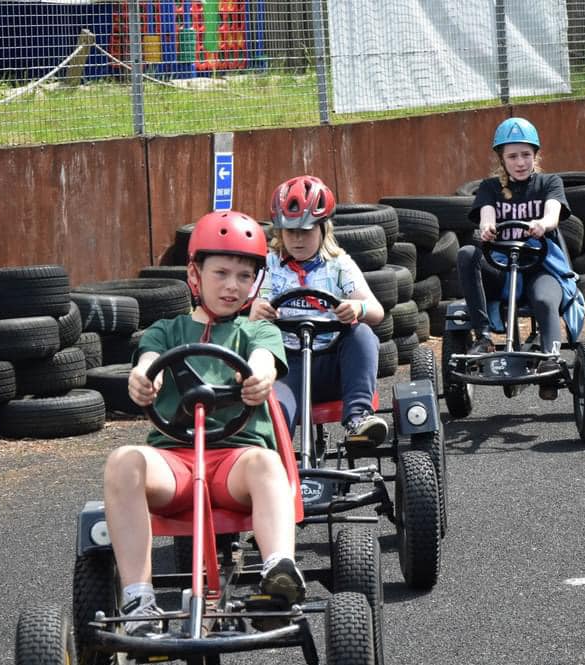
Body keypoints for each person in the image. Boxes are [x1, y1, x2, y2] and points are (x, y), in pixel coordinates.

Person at [102, 210, 304, 635]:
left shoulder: (256, 334)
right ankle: (139, 600)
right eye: (221, 273)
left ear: (255, 283)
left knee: (268, 463)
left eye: (244, 276)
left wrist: (258, 375)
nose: (232, 286)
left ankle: (277, 574)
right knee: (123, 459)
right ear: (195, 273)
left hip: (235, 463)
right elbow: (148, 361)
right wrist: (142, 378)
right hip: (174, 463)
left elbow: (265, 362)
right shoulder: (167, 329)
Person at [250, 174, 389, 444]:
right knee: (274, 419)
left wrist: (356, 308)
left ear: (323, 229)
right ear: (280, 231)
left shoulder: (338, 265)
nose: (298, 239)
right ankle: (274, 457)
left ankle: (358, 418)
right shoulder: (269, 265)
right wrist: (256, 311)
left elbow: (376, 310)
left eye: (306, 231)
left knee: (361, 334)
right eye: (291, 231)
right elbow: (251, 309)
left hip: (332, 364)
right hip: (286, 365)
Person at [456, 116, 577, 400]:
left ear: (535, 155)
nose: (520, 162)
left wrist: (544, 224)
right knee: (466, 253)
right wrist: (487, 227)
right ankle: (484, 337)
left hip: (539, 264)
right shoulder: (490, 188)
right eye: (512, 156)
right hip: (501, 266)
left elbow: (553, 212)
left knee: (546, 299)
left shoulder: (549, 183)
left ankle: (550, 357)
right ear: (502, 159)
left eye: (525, 155)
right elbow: (486, 214)